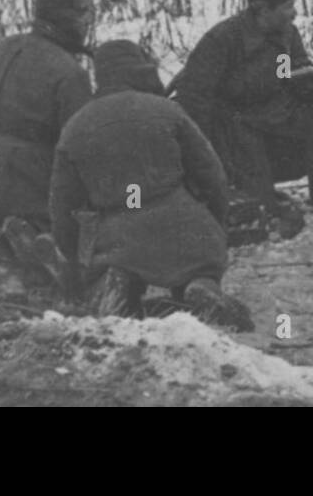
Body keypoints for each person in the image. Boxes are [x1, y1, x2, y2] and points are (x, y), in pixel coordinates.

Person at [50, 41, 252, 329]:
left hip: (119, 235)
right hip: (181, 222)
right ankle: (201, 285)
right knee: (200, 263)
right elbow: (212, 174)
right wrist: (216, 223)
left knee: (121, 267)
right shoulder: (166, 109)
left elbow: (62, 206)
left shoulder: (75, 126)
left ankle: (121, 289)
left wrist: (72, 260)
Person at [172, 0, 313, 235]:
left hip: (272, 117)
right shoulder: (222, 39)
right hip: (231, 128)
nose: (294, 13)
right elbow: (192, 98)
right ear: (262, 10)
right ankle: (257, 196)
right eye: (287, 7)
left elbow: (297, 83)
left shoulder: (287, 35)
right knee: (260, 207)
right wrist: (204, 159)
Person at [0, 0, 94, 270]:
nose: (86, 21)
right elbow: (79, 145)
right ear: (63, 16)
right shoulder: (70, 72)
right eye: (81, 12)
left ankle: (12, 242)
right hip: (34, 182)